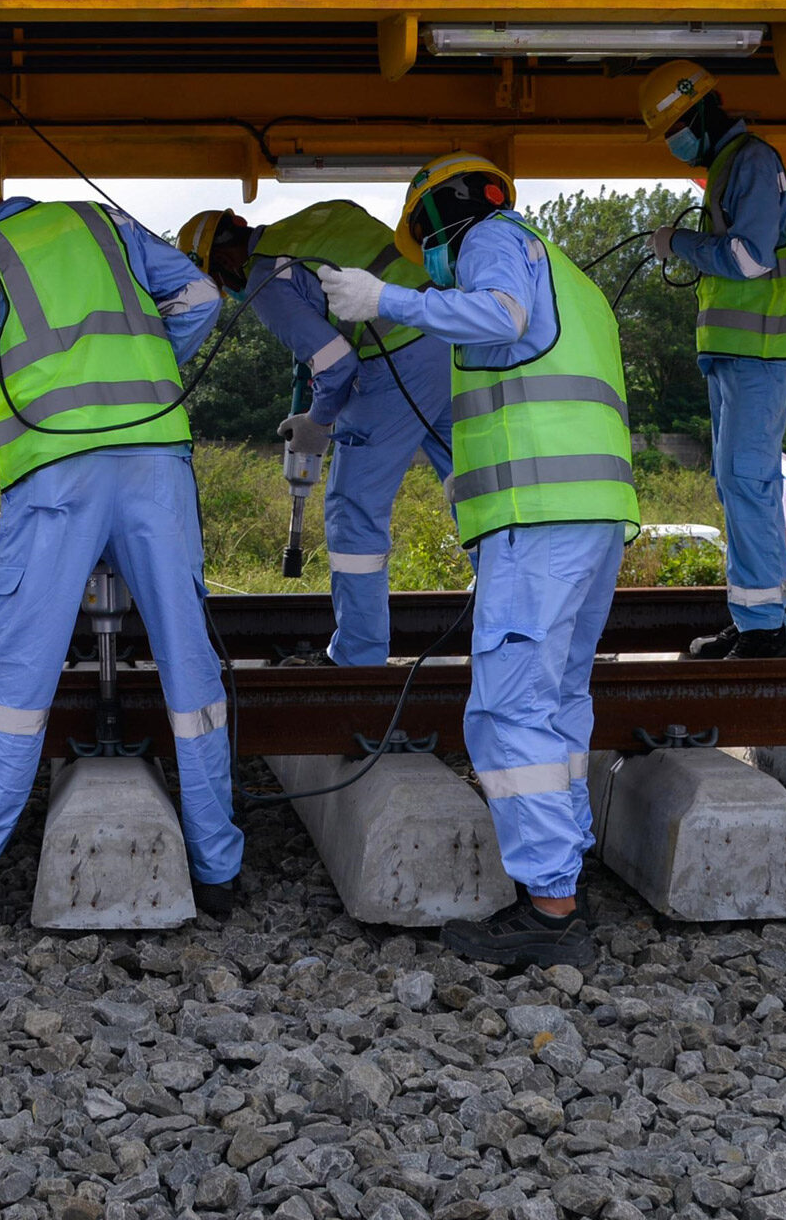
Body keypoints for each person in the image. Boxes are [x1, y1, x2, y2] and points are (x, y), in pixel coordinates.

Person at [319, 153, 639, 968]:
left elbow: (495, 315)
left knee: (506, 707)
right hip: (590, 511)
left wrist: (384, 298)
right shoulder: (568, 272)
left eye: (420, 238)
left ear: (434, 219)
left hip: (538, 514)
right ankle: (561, 877)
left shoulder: (494, 242)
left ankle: (549, 909)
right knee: (557, 700)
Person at [0, 179, 240, 923]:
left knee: (14, 675)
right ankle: (218, 868)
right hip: (156, 457)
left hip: (55, 471)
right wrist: (148, 383)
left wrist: (26, 466)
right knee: (189, 661)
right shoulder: (105, 223)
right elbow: (202, 299)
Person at [177, 201, 452, 664]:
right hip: (450, 339)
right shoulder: (316, 221)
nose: (229, 290)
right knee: (472, 487)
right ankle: (502, 618)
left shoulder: (266, 277)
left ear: (221, 262)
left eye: (219, 282)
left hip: (398, 362)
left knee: (354, 507)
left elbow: (337, 364)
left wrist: (318, 423)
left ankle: (358, 656)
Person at [639, 61, 786, 660]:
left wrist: (677, 244)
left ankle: (767, 626)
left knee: (746, 480)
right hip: (736, 356)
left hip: (760, 353)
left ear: (695, 116)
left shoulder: (750, 161)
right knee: (736, 482)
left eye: (673, 130)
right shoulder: (728, 166)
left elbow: (748, 259)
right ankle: (752, 618)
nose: (672, 144)